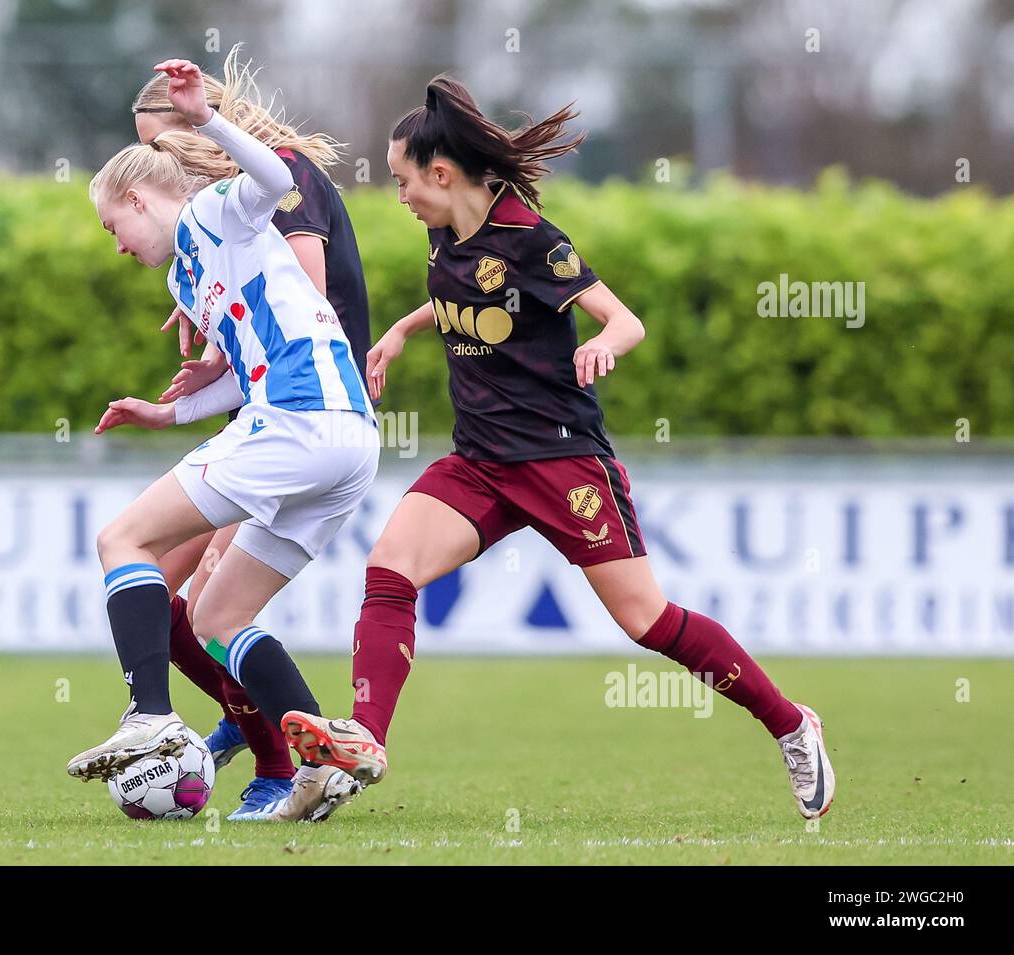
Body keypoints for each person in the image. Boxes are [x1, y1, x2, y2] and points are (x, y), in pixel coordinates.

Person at [282, 76, 835, 822]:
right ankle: (365, 742)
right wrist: (407, 327)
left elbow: (626, 321)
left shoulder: (533, 239)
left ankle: (792, 723)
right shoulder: (445, 226)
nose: (400, 194)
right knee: (391, 567)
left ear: (441, 174)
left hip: (561, 460)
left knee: (647, 621)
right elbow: (472, 291)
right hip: (479, 461)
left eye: (402, 178)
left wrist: (605, 342)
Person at [66, 58, 378, 824]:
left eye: (115, 225)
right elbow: (246, 372)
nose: (116, 246)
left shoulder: (212, 212)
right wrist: (164, 415)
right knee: (217, 616)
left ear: (139, 197)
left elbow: (275, 178)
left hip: (298, 423)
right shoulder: (189, 277)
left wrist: (205, 117)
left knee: (122, 537)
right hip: (348, 442)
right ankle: (324, 759)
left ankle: (150, 716)